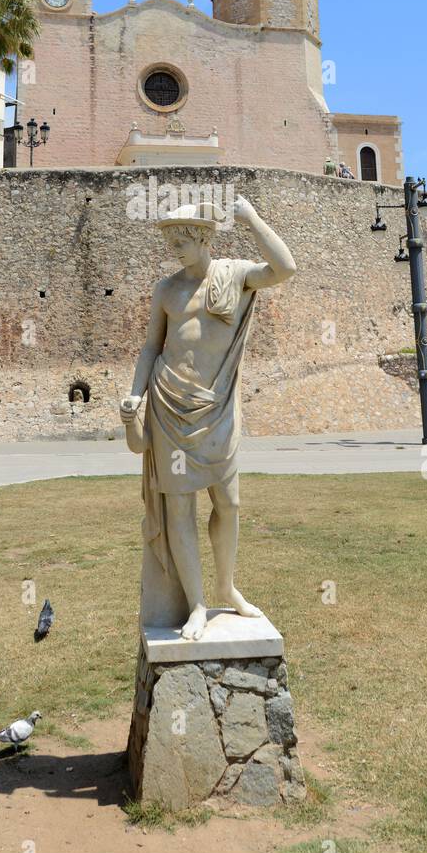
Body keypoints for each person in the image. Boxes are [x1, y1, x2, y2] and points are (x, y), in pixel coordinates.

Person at [120, 195, 295, 640]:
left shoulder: (235, 276)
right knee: (179, 507)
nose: (173, 248)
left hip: (216, 408)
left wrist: (252, 217)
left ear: (202, 238)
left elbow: (284, 269)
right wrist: (135, 395)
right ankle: (197, 604)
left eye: (181, 240)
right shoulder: (167, 289)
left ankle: (227, 587)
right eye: (170, 240)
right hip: (168, 404)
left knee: (230, 502)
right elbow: (151, 348)